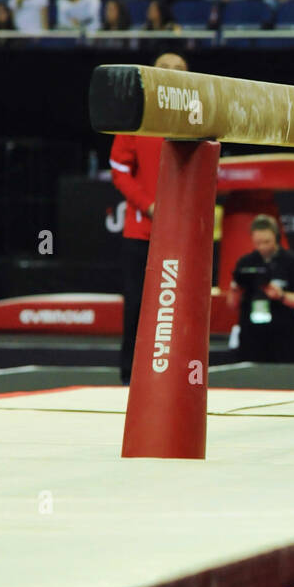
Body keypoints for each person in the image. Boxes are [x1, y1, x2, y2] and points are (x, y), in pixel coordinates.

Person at [109, 51, 188, 384]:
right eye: (164, 68)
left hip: (182, 229)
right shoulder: (136, 117)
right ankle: (130, 373)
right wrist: (148, 204)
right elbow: (119, 169)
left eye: (178, 69)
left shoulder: (194, 115)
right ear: (151, 74)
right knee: (139, 303)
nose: (171, 73)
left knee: (180, 305)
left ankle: (180, 370)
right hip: (143, 229)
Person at [227, 214, 294, 363]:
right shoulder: (245, 262)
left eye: (267, 242)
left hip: (284, 336)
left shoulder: (292, 262)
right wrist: (235, 289)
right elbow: (232, 304)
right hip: (252, 336)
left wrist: (282, 295)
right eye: (258, 242)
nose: (262, 247)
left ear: (276, 237)